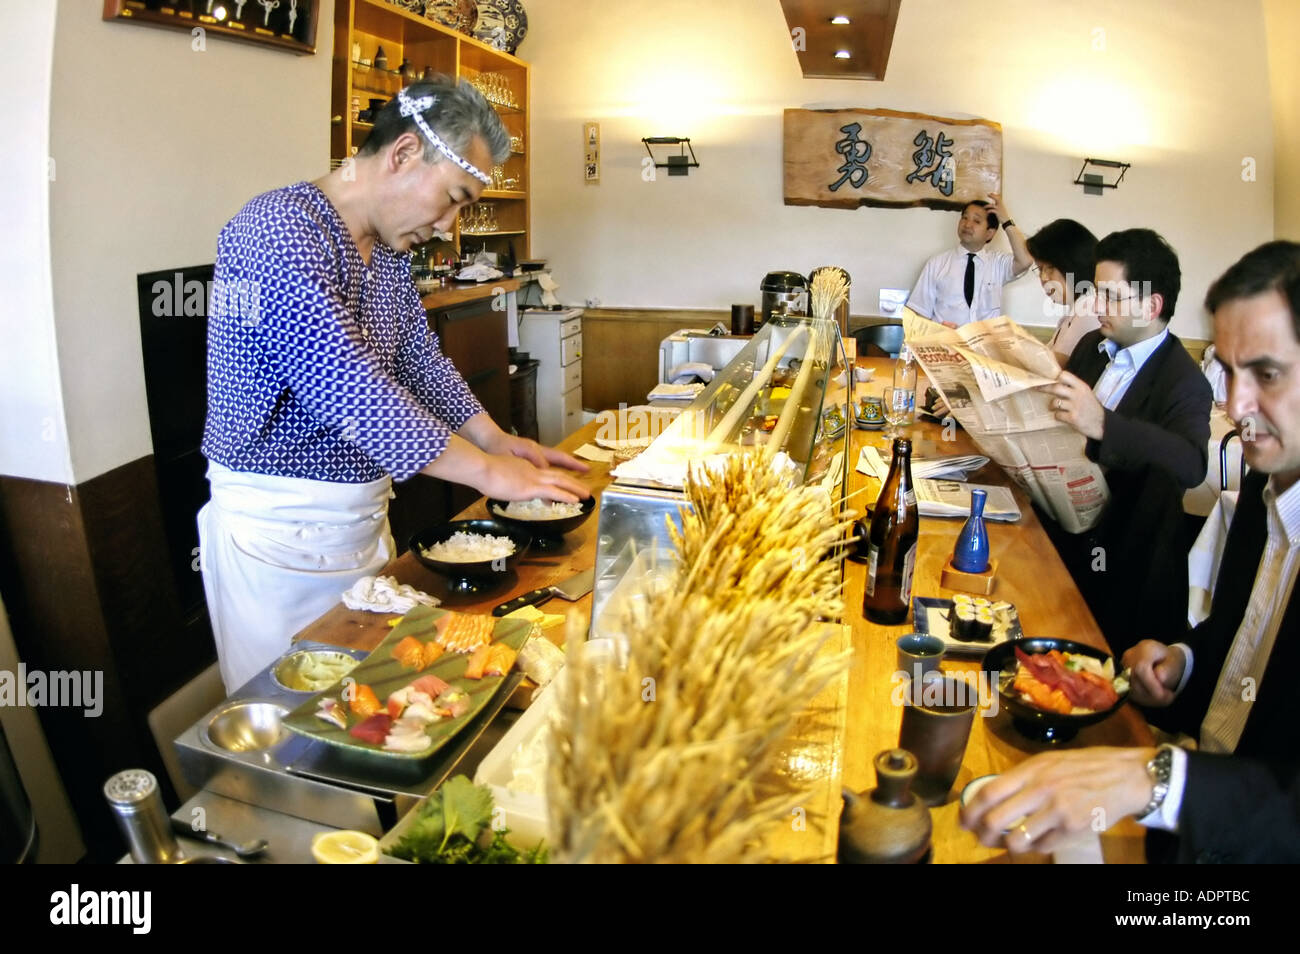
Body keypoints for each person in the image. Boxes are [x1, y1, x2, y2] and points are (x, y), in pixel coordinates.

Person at [199, 77, 589, 691]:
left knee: (372, 703)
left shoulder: (383, 254)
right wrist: (486, 475)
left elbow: (418, 362)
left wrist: (493, 440)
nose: (448, 226)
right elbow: (345, 386)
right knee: (295, 726)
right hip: (279, 533)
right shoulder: (275, 229)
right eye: (453, 198)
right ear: (404, 154)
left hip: (359, 521)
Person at [962, 241, 1300, 864]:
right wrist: (1182, 662)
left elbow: (1187, 459)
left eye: (1268, 374)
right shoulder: (1263, 490)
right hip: (1201, 821)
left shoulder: (1181, 386)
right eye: (1227, 371)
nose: (1237, 405)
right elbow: (1238, 638)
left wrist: (1157, 780)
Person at [1040, 229, 1212, 656]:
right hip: (1053, 527)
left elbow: (1191, 463)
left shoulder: (1184, 381)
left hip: (1119, 561)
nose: (1096, 305)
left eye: (1110, 296)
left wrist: (1103, 424)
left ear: (1152, 305)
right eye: (1096, 292)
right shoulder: (1091, 347)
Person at [906, 194, 1033, 328]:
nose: (967, 224)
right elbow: (919, 313)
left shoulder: (998, 263)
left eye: (976, 221)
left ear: (990, 233)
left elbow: (1025, 261)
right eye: (964, 218)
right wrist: (936, 333)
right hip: (945, 344)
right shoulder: (937, 264)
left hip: (983, 347)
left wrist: (1006, 221)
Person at [1025, 218, 1100, 365]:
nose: (1044, 278)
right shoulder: (1075, 309)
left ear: (1074, 262)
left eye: (1051, 267)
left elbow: (1055, 366)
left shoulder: (1090, 307)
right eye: (1040, 269)